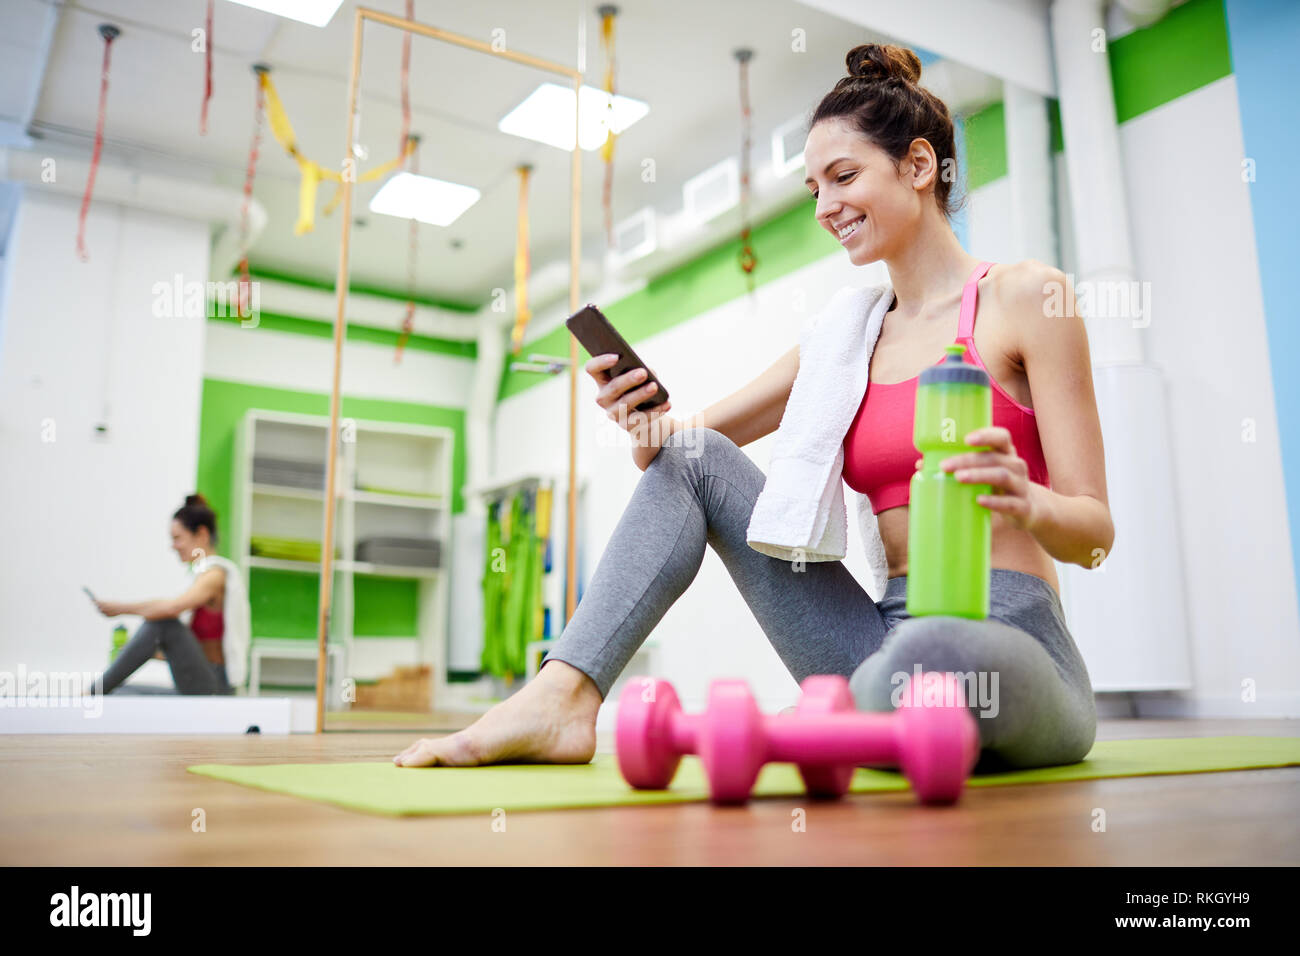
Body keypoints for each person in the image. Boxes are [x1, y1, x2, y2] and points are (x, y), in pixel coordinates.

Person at [395, 42, 1110, 772]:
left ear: (919, 167)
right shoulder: (846, 336)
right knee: (702, 465)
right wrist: (642, 418)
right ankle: (564, 697)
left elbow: (1095, 537)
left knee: (935, 653)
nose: (826, 207)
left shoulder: (1026, 298)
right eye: (813, 189)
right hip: (877, 642)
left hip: (1006, 648)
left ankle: (832, 720)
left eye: (843, 176)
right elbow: (679, 454)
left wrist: (1028, 502)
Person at [93, 494, 249, 695]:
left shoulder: (215, 575)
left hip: (215, 686)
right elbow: (191, 651)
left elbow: (172, 609)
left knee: (163, 622)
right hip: (197, 681)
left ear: (201, 534)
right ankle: (97, 692)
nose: (173, 546)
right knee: (121, 694)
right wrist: (138, 650)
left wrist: (120, 608)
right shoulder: (199, 578)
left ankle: (91, 693)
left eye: (177, 538)